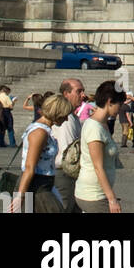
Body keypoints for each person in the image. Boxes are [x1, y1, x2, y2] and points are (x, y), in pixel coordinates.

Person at [13, 92, 71, 214]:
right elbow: (29, 167)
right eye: (65, 115)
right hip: (37, 187)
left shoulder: (43, 130)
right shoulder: (40, 132)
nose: (66, 119)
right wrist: (20, 196)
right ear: (57, 113)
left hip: (44, 185)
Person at [74, 80, 125, 214]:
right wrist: (112, 199)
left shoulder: (103, 124)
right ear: (110, 102)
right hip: (93, 193)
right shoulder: (94, 128)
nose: (120, 108)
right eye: (119, 104)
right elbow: (98, 167)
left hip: (97, 192)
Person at [51, 77, 85, 213]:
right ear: (66, 94)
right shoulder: (67, 119)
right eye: (79, 91)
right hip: (65, 175)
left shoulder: (72, 116)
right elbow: (69, 154)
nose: (83, 95)